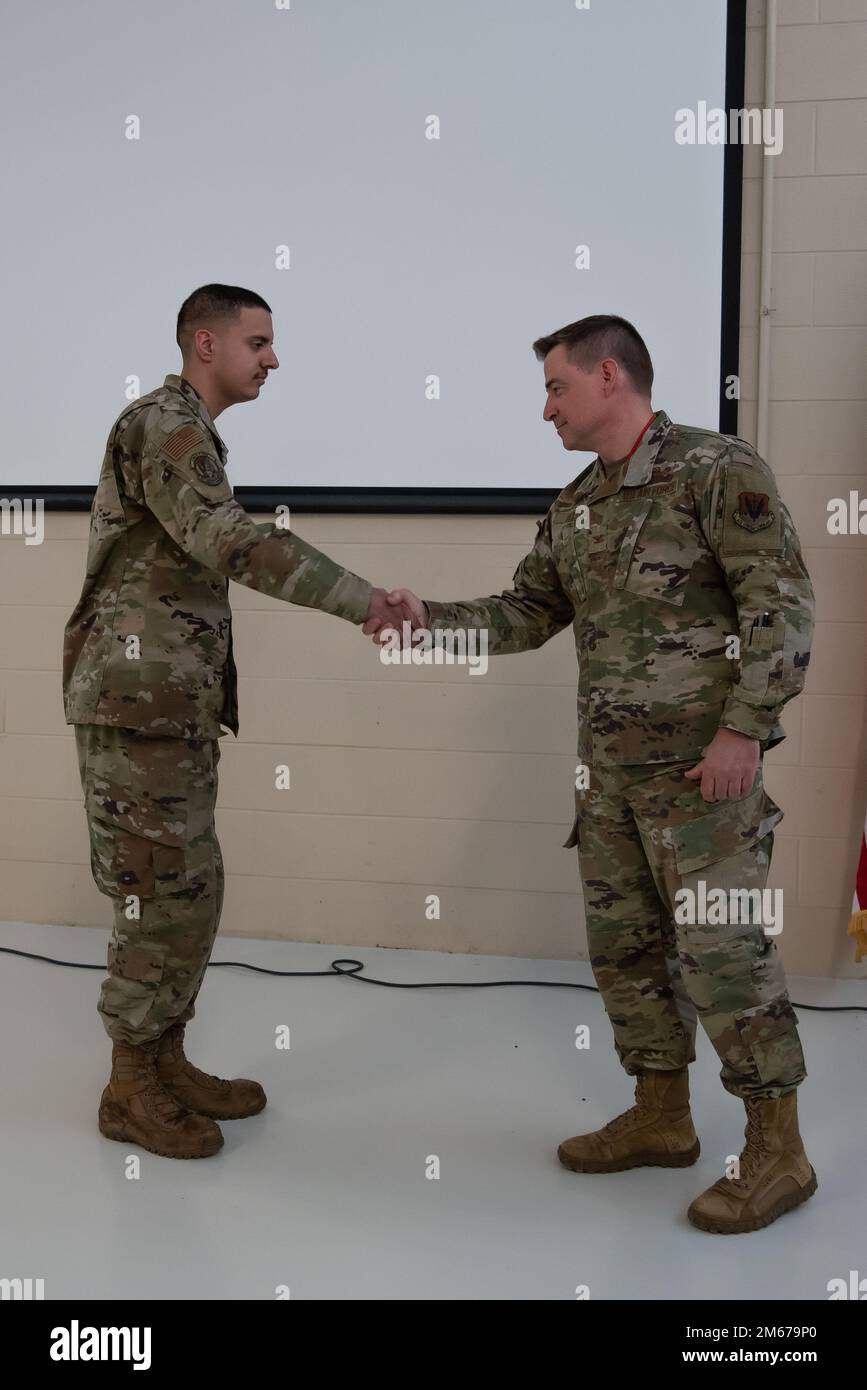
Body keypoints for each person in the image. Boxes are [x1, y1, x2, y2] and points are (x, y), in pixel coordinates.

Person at [367, 314, 817, 1235]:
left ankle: (780, 1152)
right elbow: (524, 613)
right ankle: (661, 1118)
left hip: (703, 783)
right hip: (608, 786)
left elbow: (779, 606)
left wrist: (744, 731)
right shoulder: (577, 503)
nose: (545, 411)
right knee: (627, 960)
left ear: (609, 377)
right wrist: (427, 619)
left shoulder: (715, 470)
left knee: (724, 960)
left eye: (554, 389)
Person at [63, 283, 414, 1160]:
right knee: (155, 895)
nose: (272, 358)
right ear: (204, 343)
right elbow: (230, 541)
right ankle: (129, 1089)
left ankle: (164, 1058)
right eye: (257, 341)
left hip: (169, 709)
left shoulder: (188, 432)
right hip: (135, 707)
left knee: (190, 888)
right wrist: (360, 599)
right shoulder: (165, 426)